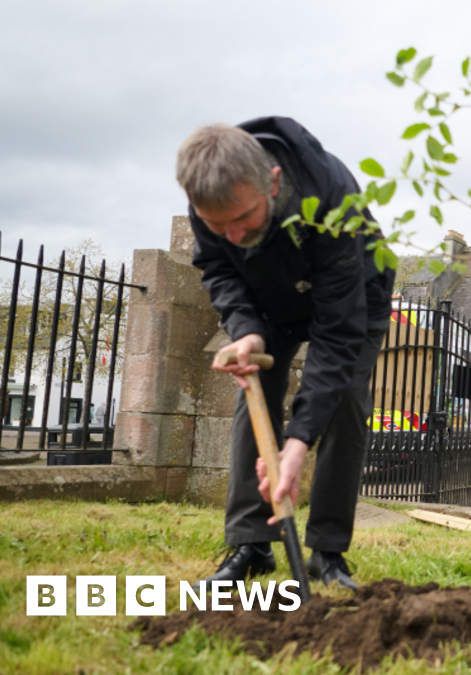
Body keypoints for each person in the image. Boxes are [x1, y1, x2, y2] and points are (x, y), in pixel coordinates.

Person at [176, 117, 394, 591]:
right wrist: (248, 332)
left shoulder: (333, 200)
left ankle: (328, 553)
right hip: (267, 296)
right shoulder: (209, 193)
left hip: (355, 291)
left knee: (345, 401)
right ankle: (252, 544)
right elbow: (216, 265)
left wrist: (296, 446)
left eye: (243, 219)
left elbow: (337, 337)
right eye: (218, 224)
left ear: (272, 183)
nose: (231, 234)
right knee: (253, 387)